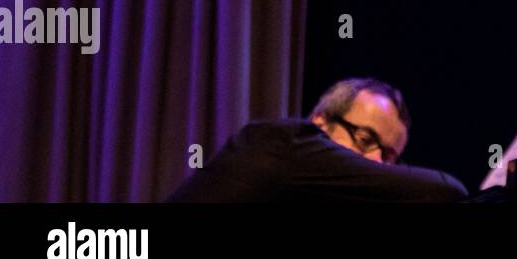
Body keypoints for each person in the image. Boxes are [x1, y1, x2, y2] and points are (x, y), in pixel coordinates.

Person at [165, 77, 467, 202]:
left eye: (389, 156)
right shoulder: (284, 142)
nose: (376, 162)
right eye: (364, 138)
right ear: (320, 122)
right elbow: (445, 189)